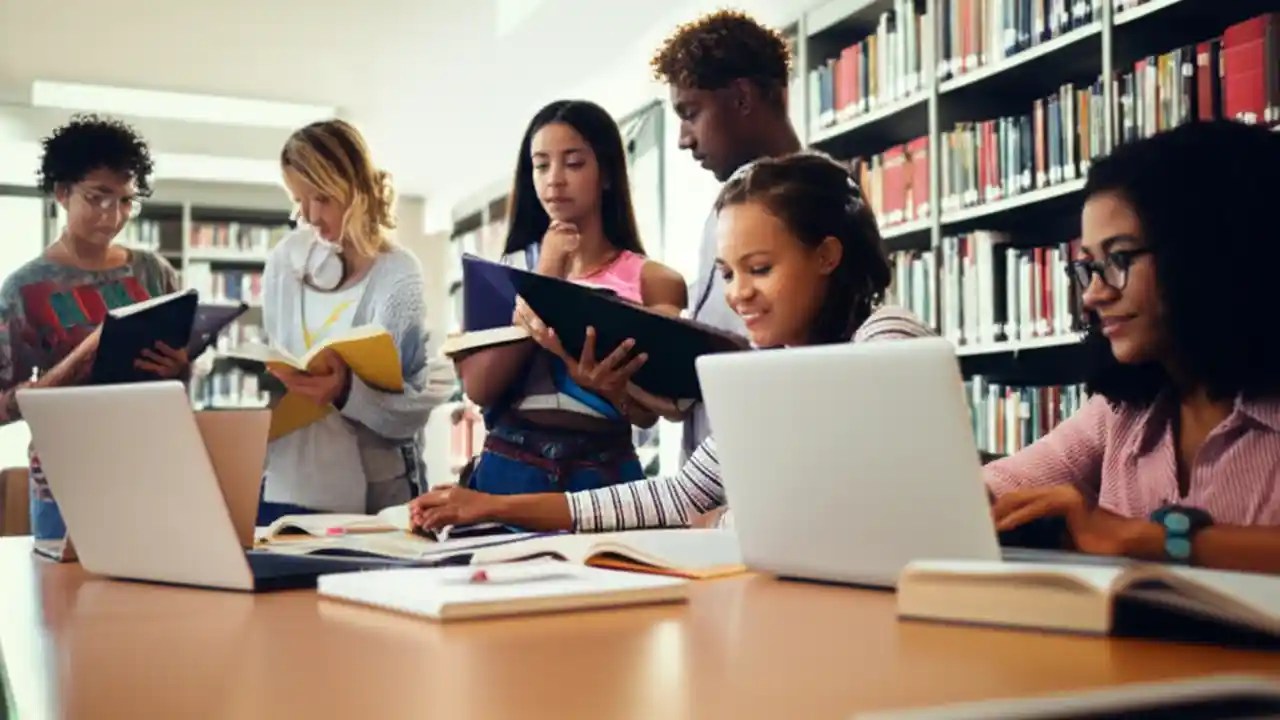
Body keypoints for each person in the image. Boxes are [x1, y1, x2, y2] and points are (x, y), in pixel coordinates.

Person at [410, 152, 932, 532]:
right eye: (728, 274)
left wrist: (723, 521)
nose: (739, 295)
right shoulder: (768, 373)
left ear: (826, 256)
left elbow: (841, 504)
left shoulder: (889, 336)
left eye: (760, 269)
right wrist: (487, 505)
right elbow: (681, 495)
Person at [986, 120, 1280, 575]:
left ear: (1208, 254)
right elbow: (999, 488)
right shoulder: (1124, 411)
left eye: (1119, 259)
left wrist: (1142, 539)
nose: (1093, 294)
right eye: (1090, 266)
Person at [449, 99, 687, 497]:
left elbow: (652, 413)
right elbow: (480, 388)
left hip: (604, 475)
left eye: (573, 163)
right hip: (510, 471)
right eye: (541, 165)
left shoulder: (654, 281)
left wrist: (610, 389)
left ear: (606, 174)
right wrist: (546, 275)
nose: (554, 179)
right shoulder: (498, 274)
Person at [0, 114, 187, 542]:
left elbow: (183, 372)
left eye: (125, 201)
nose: (113, 215)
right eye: (98, 197)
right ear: (63, 192)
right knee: (68, 605)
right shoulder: (24, 289)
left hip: (151, 471)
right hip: (66, 481)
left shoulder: (152, 273)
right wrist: (54, 384)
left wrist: (180, 366)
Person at [259, 119, 454, 523]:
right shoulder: (284, 261)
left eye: (323, 198)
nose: (310, 216)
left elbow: (406, 406)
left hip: (376, 491)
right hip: (292, 480)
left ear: (357, 189)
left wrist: (346, 391)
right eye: (300, 200)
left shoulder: (398, 274)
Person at [649, 9, 804, 460]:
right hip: (717, 476)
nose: (683, 138)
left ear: (740, 98)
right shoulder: (733, 203)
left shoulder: (819, 202)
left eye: (691, 113)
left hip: (767, 466)